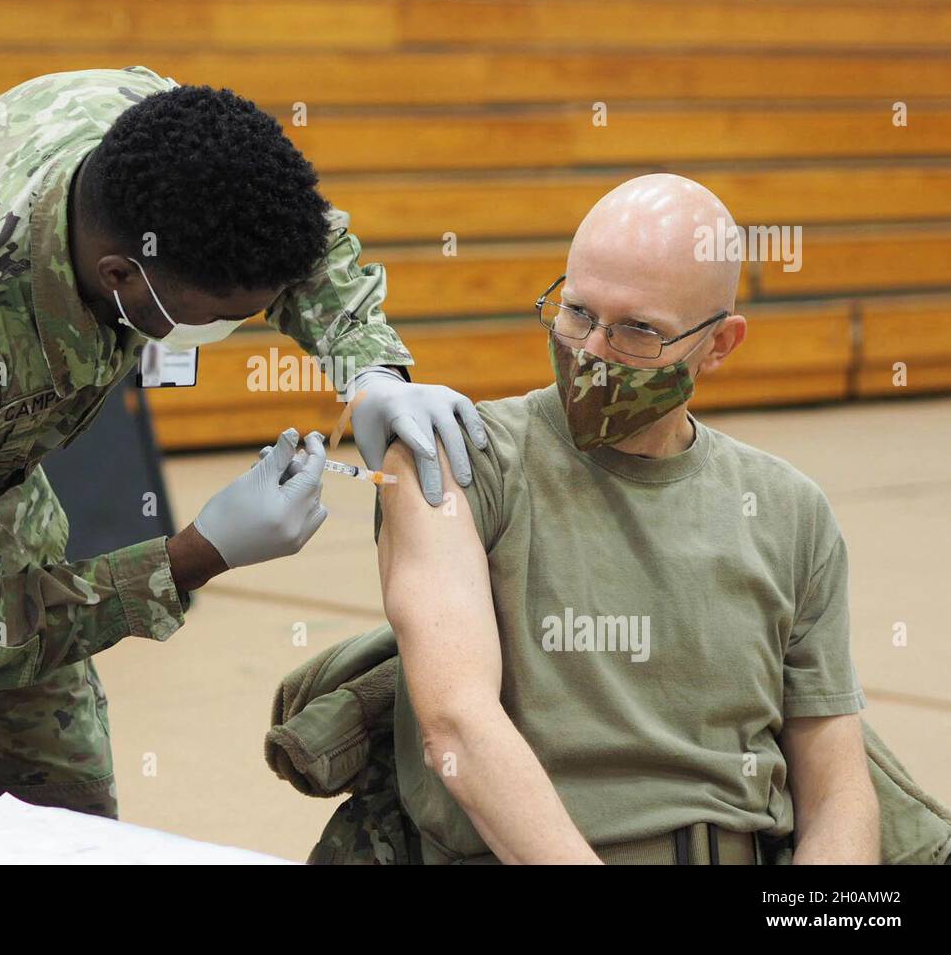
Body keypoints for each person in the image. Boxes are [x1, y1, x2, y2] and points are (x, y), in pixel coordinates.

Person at [0, 66, 485, 818]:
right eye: (219, 314)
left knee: (54, 783)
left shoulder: (148, 130)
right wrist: (198, 552)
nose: (232, 328)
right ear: (119, 276)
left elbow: (301, 243)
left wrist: (371, 370)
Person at [373, 173, 880, 864]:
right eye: (577, 311)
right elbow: (457, 727)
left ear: (721, 344)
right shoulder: (458, 460)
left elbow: (838, 790)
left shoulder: (790, 510)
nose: (592, 351)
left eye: (639, 329)